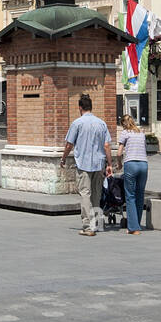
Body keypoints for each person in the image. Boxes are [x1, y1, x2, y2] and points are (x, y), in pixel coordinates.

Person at [60, 94, 113, 237]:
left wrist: (63, 158)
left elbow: (69, 144)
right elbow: (107, 145)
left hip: (83, 163)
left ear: (80, 107)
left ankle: (88, 226)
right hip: (99, 163)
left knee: (85, 194)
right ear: (91, 107)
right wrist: (110, 164)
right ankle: (96, 223)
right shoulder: (101, 123)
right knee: (96, 194)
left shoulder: (77, 123)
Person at [118, 115, 149, 235]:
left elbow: (119, 152)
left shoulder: (125, 133)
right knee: (140, 195)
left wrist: (119, 164)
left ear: (124, 124)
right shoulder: (141, 132)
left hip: (131, 164)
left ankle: (133, 228)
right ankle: (137, 224)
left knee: (130, 196)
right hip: (143, 165)